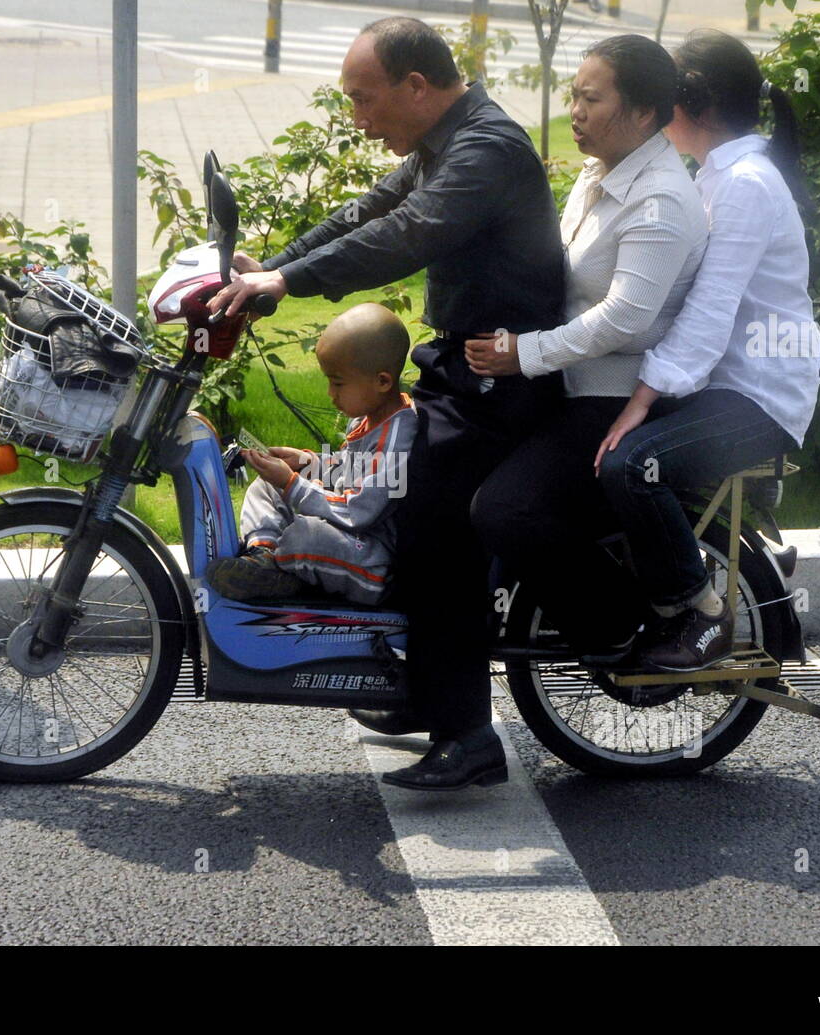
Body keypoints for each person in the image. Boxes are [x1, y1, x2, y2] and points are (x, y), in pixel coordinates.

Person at [210, 17, 565, 791]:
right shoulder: (446, 140)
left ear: (416, 86)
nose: (359, 120)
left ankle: (468, 733)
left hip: (504, 381)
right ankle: (424, 686)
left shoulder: (485, 150)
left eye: (366, 101)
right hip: (465, 365)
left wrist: (286, 283)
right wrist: (272, 270)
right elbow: (368, 213)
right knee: (389, 487)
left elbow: (409, 234)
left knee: (430, 513)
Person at [468, 34, 708, 663]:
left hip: (613, 399)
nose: (573, 109)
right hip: (569, 385)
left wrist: (525, 351)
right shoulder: (602, 172)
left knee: (505, 509)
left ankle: (623, 626)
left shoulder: (658, 200)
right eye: (572, 94)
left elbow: (625, 319)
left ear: (643, 114)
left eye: (589, 98)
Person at [590, 29, 820, 671]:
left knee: (632, 465)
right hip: (721, 381)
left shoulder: (746, 182)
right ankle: (740, 561)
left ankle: (703, 613)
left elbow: (711, 308)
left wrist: (643, 398)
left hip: (758, 396)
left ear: (688, 104)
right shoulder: (714, 174)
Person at [205, 303, 415, 606]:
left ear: (382, 381)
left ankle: (283, 571)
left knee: (307, 534)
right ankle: (265, 558)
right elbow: (349, 471)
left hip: (370, 561)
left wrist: (293, 484)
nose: (331, 394)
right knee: (265, 487)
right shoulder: (369, 415)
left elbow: (358, 511)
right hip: (348, 533)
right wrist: (308, 463)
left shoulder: (398, 437)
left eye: (338, 383)